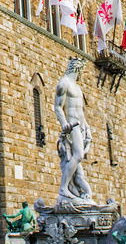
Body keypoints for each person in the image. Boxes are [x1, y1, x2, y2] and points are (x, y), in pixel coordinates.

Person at [54, 57, 92, 202]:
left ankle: (75, 190)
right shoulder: (64, 83)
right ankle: (63, 188)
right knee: (78, 155)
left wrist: (87, 128)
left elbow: (81, 110)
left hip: (81, 126)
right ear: (78, 69)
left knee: (78, 162)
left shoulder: (77, 87)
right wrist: (64, 123)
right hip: (72, 125)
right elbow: (58, 106)